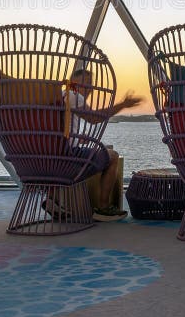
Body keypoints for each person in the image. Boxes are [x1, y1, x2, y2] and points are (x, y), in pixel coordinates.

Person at [59, 66, 143, 222]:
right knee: (112, 156)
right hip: (68, 157)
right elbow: (94, 118)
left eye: (91, 83)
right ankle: (103, 208)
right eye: (86, 82)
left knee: (96, 150)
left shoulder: (62, 96)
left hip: (52, 156)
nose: (90, 87)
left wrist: (78, 138)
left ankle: (54, 200)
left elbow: (62, 129)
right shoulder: (74, 95)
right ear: (73, 83)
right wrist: (123, 104)